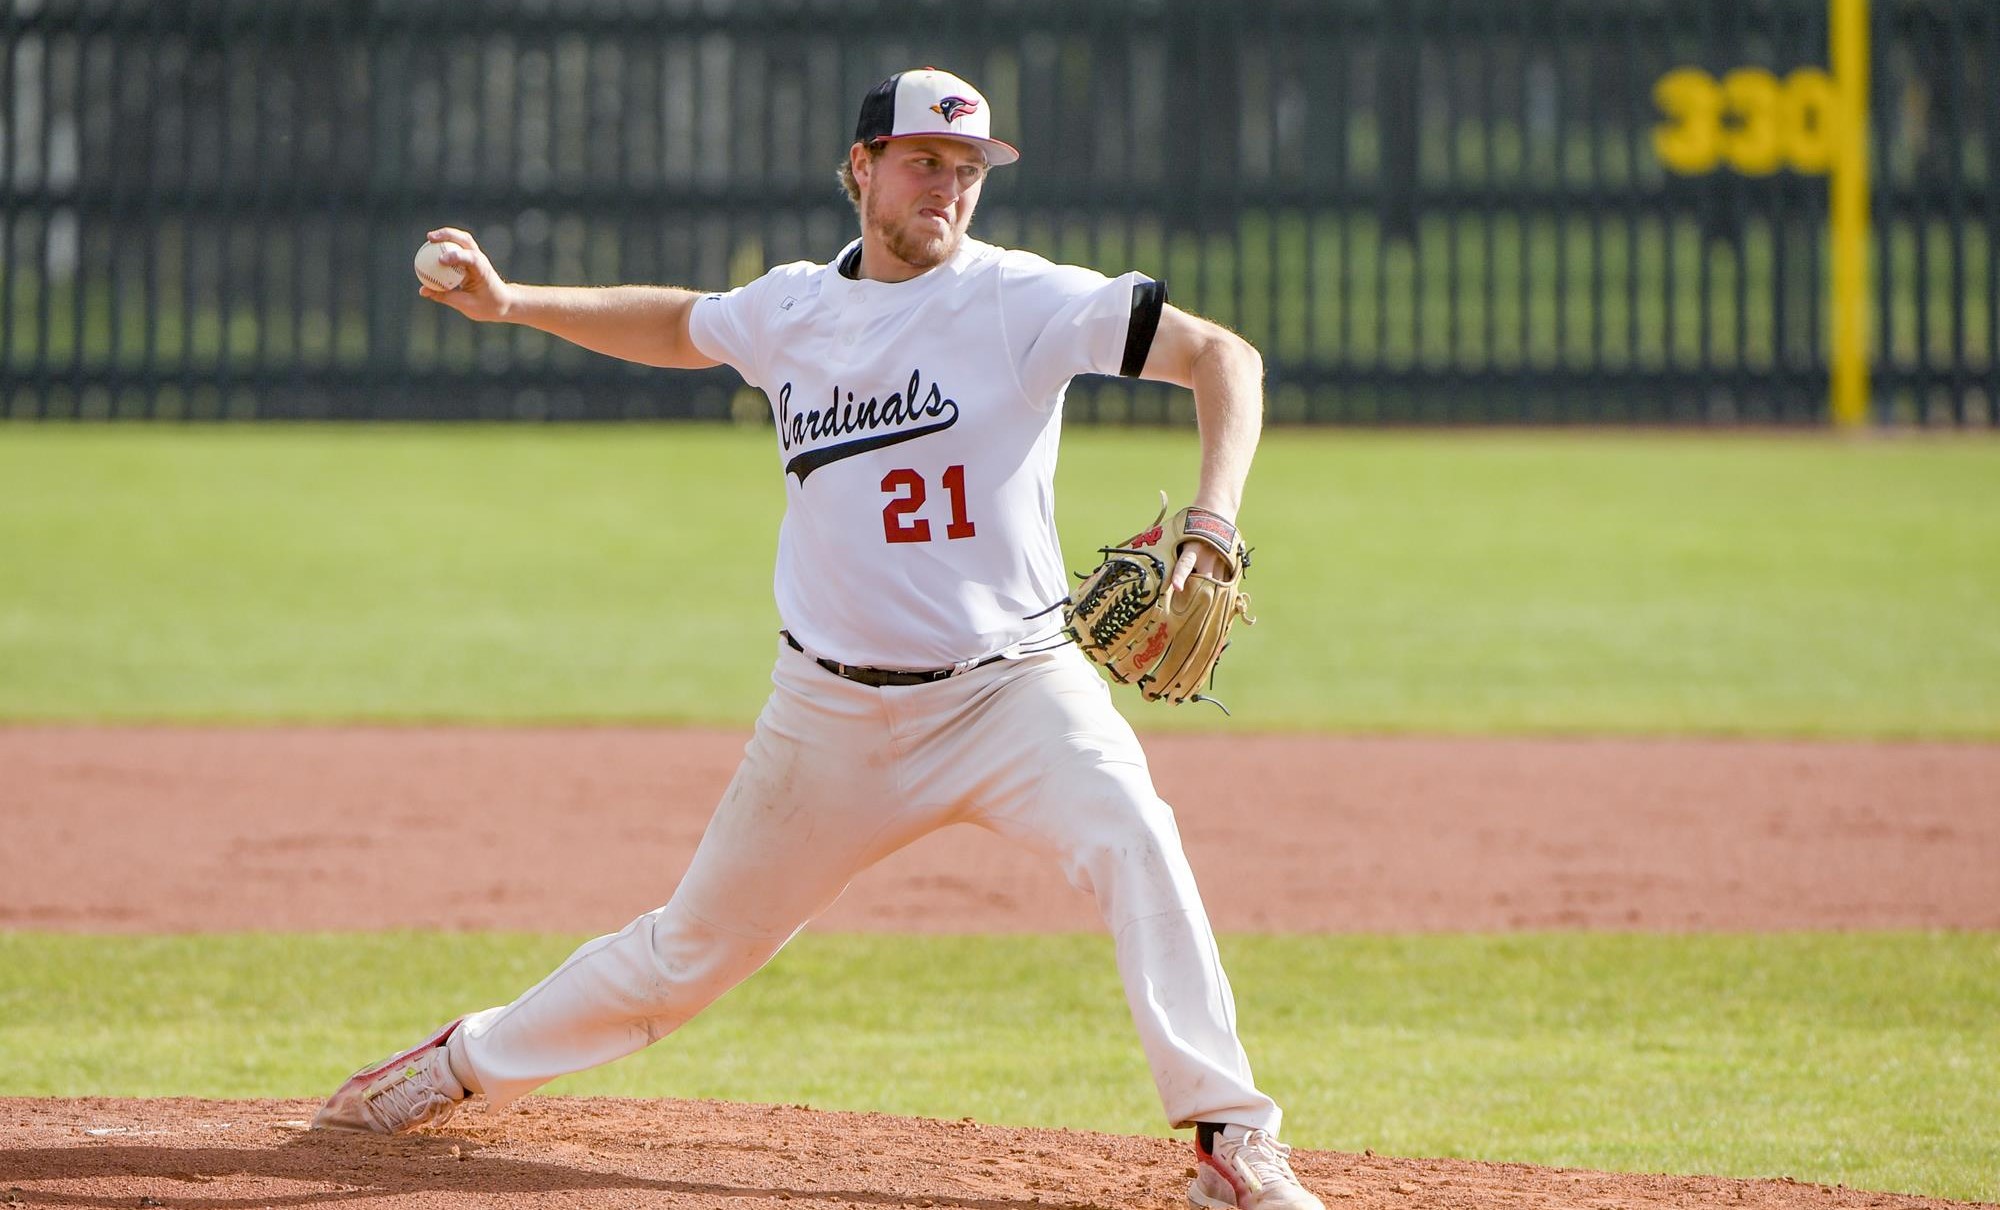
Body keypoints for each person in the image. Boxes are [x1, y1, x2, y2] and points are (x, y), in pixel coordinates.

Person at [312, 67, 1324, 1210]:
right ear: (860, 170)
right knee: (686, 953)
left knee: (1134, 833)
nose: (947, 187)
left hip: (1013, 693)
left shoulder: (1019, 298)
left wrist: (1211, 522)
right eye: (921, 162)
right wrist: (511, 302)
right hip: (828, 716)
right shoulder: (791, 307)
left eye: (966, 169)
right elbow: (684, 324)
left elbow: (1220, 357)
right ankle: (456, 1063)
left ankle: (1231, 1137)